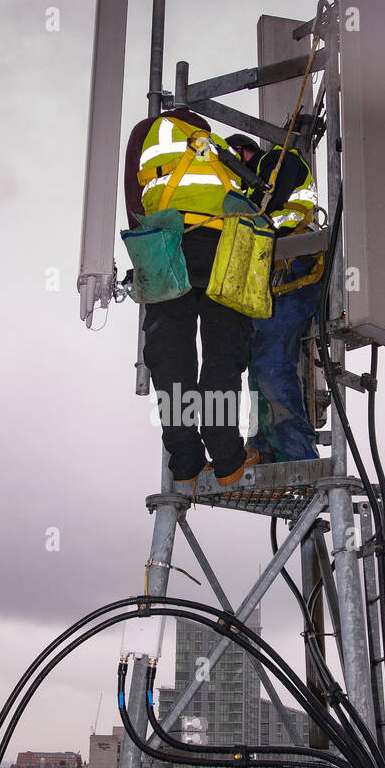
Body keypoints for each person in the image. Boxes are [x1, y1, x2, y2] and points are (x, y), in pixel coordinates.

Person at [124, 111, 261, 488]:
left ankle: (185, 461)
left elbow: (134, 201)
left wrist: (145, 254)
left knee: (171, 358)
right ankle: (228, 457)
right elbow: (250, 203)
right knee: (222, 350)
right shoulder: (217, 150)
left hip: (166, 246)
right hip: (221, 248)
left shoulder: (146, 135)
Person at [226, 135, 321, 464]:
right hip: (274, 276)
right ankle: (265, 450)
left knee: (271, 367)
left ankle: (298, 457)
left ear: (243, 152)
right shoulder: (251, 188)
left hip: (293, 268)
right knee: (258, 369)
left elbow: (272, 203)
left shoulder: (278, 161)